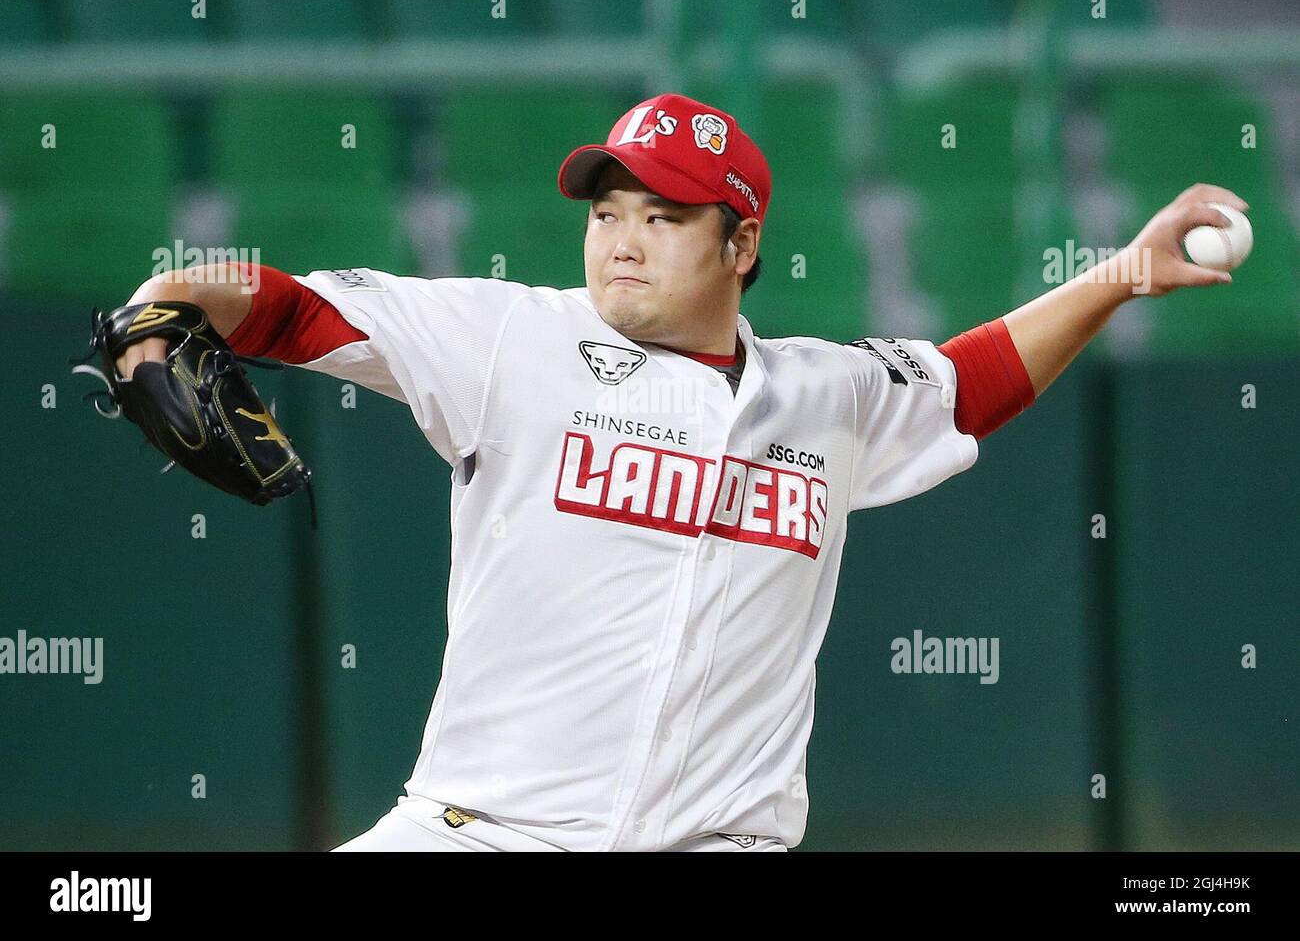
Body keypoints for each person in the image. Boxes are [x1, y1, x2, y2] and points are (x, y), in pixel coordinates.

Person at [114, 93, 1245, 852]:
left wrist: (1123, 274)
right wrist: (161, 309)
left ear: (740, 246)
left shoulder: (827, 389)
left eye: (662, 215)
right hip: (489, 831)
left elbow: (968, 380)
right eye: (608, 211)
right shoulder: (510, 336)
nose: (621, 238)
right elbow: (287, 303)